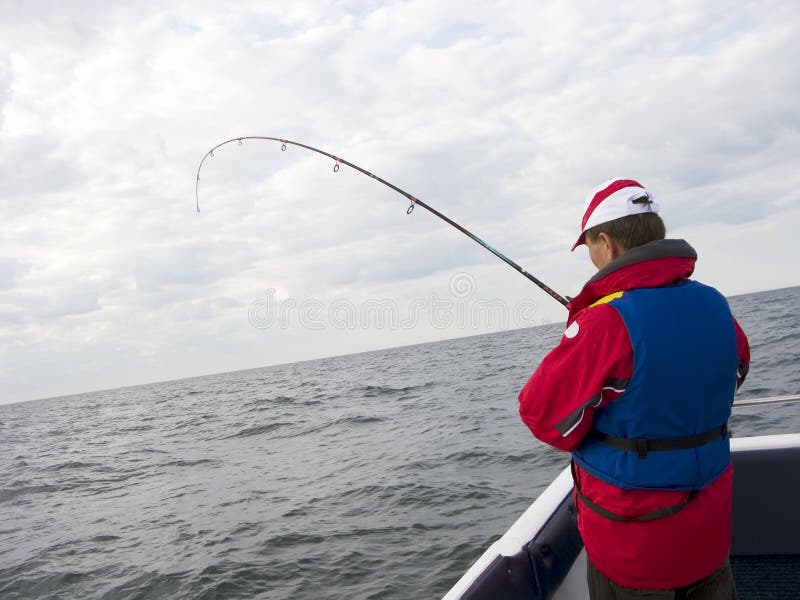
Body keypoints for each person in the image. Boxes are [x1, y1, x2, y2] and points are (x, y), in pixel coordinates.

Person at [518, 178, 750, 599]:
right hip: (709, 530)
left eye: (589, 247)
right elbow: (738, 366)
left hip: (636, 550)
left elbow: (543, 416)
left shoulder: (604, 322)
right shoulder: (716, 302)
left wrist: (585, 325)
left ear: (606, 242)